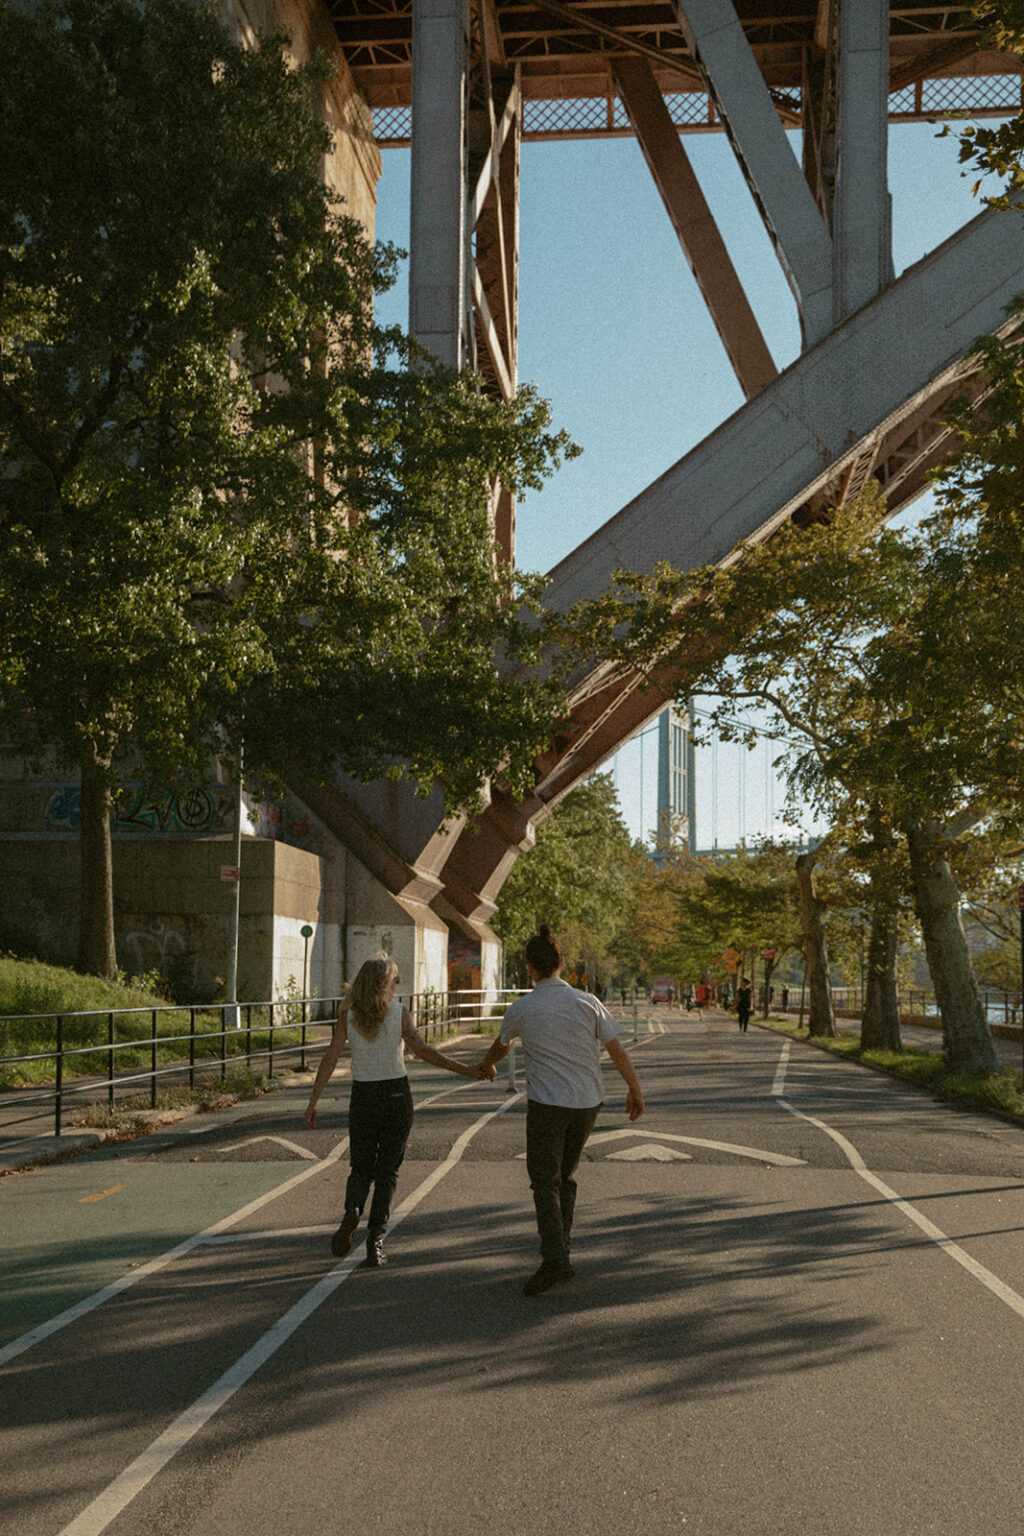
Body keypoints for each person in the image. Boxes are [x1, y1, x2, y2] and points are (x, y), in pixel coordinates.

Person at [476, 924, 644, 1296]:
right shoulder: (587, 1002)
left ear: (530, 968)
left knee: (543, 1180)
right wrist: (634, 1089)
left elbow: (501, 1045)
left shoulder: (523, 1008)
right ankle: (561, 1249)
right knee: (564, 1176)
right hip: (587, 1103)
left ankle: (555, 1260)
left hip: (548, 1105)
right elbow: (616, 1048)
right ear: (561, 964)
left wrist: (486, 1065)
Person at [304, 958, 492, 1267]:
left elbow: (330, 1057)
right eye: (395, 979)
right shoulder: (399, 1013)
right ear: (383, 984)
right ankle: (375, 1242)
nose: (397, 985)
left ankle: (352, 1210)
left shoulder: (347, 1017)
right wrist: (466, 1070)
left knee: (361, 1168)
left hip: (363, 1097)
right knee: (388, 1172)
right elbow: (424, 1051)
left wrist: (313, 1101)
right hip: (395, 1096)